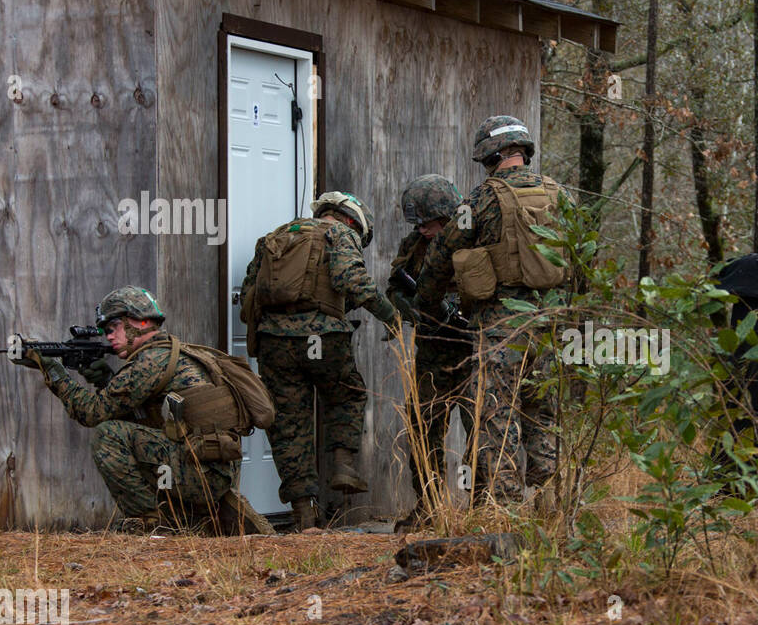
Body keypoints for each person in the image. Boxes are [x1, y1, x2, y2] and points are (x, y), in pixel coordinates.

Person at [10, 286, 272, 534]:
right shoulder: (170, 351)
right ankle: (196, 515)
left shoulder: (149, 361)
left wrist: (54, 372)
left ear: (138, 322)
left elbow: (91, 413)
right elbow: (143, 419)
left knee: (108, 436)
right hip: (211, 469)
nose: (109, 336)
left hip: (201, 473)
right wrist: (105, 380)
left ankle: (153, 523)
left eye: (114, 327)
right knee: (127, 432)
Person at [412, 116, 564, 506]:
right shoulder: (559, 194)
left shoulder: (480, 201)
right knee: (542, 412)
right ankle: (550, 501)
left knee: (498, 416)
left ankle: (505, 509)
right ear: (522, 152)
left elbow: (442, 255)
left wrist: (425, 302)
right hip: (550, 325)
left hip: (500, 328)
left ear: (491, 157)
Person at [240, 191, 399, 530]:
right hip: (323, 338)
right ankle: (342, 465)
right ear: (350, 221)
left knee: (288, 426)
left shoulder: (276, 236)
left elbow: (250, 293)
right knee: (346, 395)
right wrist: (391, 316)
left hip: (275, 344)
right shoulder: (338, 234)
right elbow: (351, 281)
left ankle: (305, 517)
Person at [388, 174, 473, 513]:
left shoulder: (475, 239)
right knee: (423, 426)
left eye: (428, 222)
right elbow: (394, 287)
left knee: (480, 429)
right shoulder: (413, 245)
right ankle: (428, 506)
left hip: (471, 349)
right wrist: (408, 306)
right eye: (418, 223)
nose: (421, 228)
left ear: (447, 214)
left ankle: (480, 503)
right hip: (431, 352)